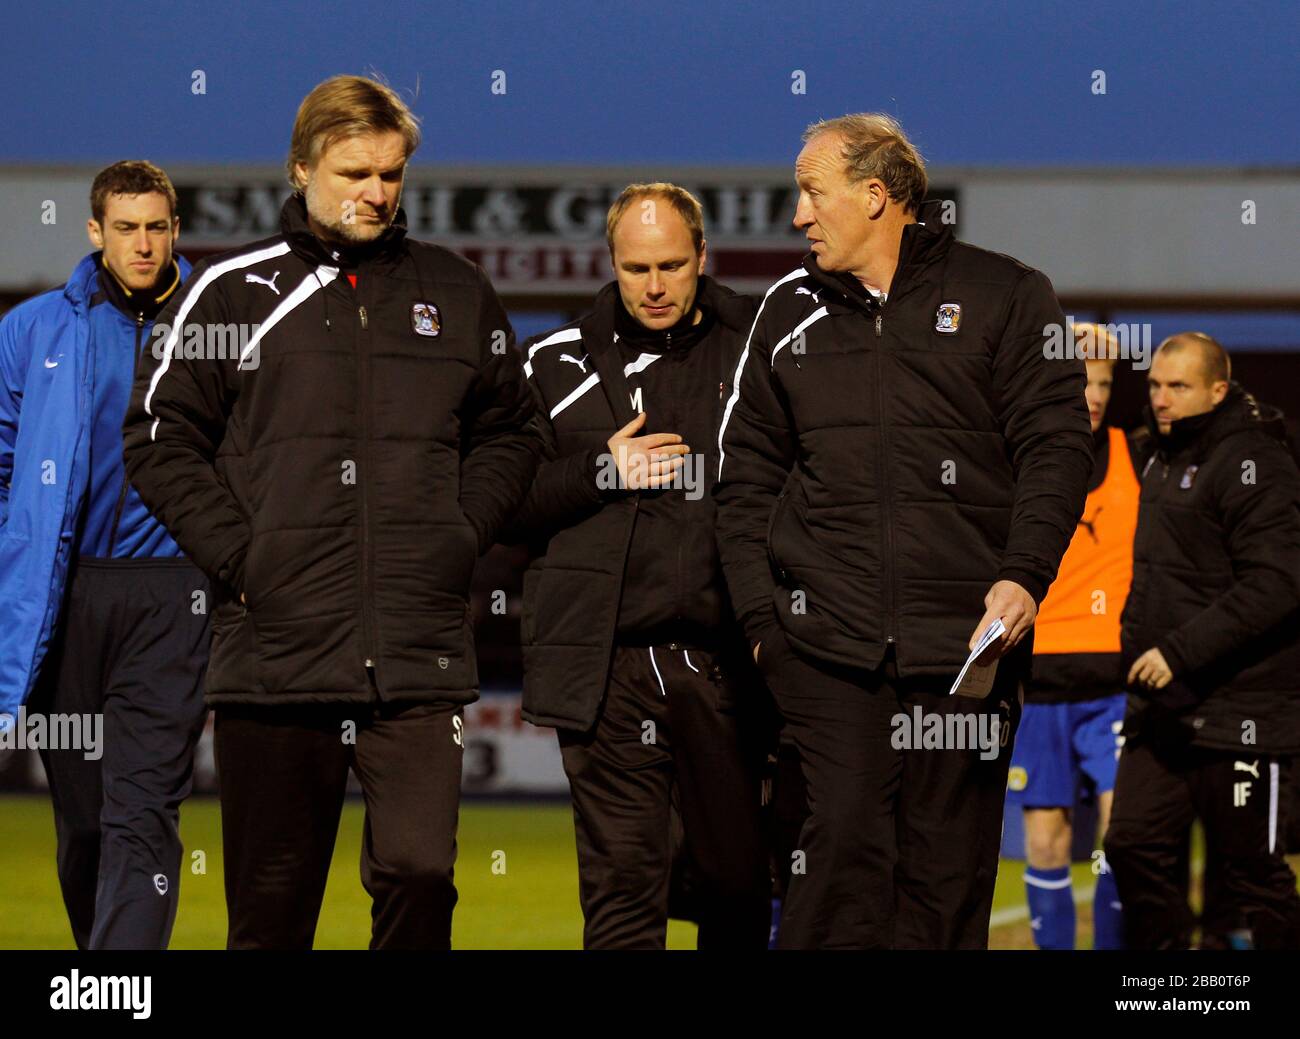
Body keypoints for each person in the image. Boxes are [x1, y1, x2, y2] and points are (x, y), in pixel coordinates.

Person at [122, 75, 539, 949]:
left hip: (419, 658)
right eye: (355, 172)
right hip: (276, 657)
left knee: (422, 876)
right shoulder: (229, 294)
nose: (378, 193)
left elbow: (513, 431)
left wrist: (459, 536)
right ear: (301, 167)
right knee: (272, 917)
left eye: (391, 174)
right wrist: (246, 560)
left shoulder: (457, 292)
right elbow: (158, 440)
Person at [714, 113, 1092, 949]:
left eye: (813, 192)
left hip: (966, 651)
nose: (798, 216)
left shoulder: (1008, 295)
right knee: (835, 862)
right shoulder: (785, 312)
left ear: (876, 195)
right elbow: (742, 483)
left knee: (946, 882)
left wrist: (1025, 573)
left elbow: (1059, 449)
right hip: (824, 654)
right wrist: (764, 634)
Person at [508, 182, 771, 948]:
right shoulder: (553, 365)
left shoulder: (761, 353)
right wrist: (600, 468)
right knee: (623, 888)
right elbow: (502, 501)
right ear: (611, 265)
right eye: (634, 268)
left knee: (734, 887)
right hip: (606, 669)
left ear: (702, 257)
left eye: (670, 264)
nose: (653, 286)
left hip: (731, 665)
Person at [0, 160, 207, 949]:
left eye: (157, 226)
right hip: (66, 592)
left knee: (142, 810)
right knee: (85, 825)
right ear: (95, 232)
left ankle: (119, 987)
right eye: (126, 228)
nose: (144, 244)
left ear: (175, 230)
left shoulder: (212, 325)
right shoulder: (30, 330)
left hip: (172, 592)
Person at [1104, 332, 1300, 950]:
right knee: (1130, 844)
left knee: (1252, 875)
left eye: (1178, 387)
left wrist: (1178, 652)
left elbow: (1280, 581)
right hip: (1164, 709)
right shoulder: (1160, 453)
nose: (1160, 400)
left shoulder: (1255, 462)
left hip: (1242, 710)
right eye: (1155, 385)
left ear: (1219, 389)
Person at [1006, 323, 1140, 950]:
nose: (1093, 394)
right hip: (1042, 686)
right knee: (1047, 841)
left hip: (1116, 686)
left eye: (1105, 383)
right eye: (1082, 380)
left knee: (1124, 834)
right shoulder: (1017, 460)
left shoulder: (1138, 456)